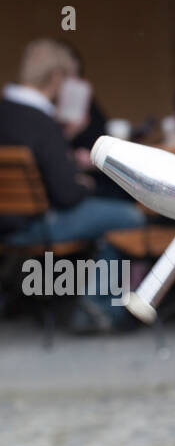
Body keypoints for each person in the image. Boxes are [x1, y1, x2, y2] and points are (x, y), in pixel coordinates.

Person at [0, 39, 142, 332]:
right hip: (36, 224)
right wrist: (86, 183)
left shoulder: (7, 111)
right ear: (55, 78)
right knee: (128, 217)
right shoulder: (41, 120)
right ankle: (97, 306)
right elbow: (66, 195)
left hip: (7, 221)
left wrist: (65, 137)